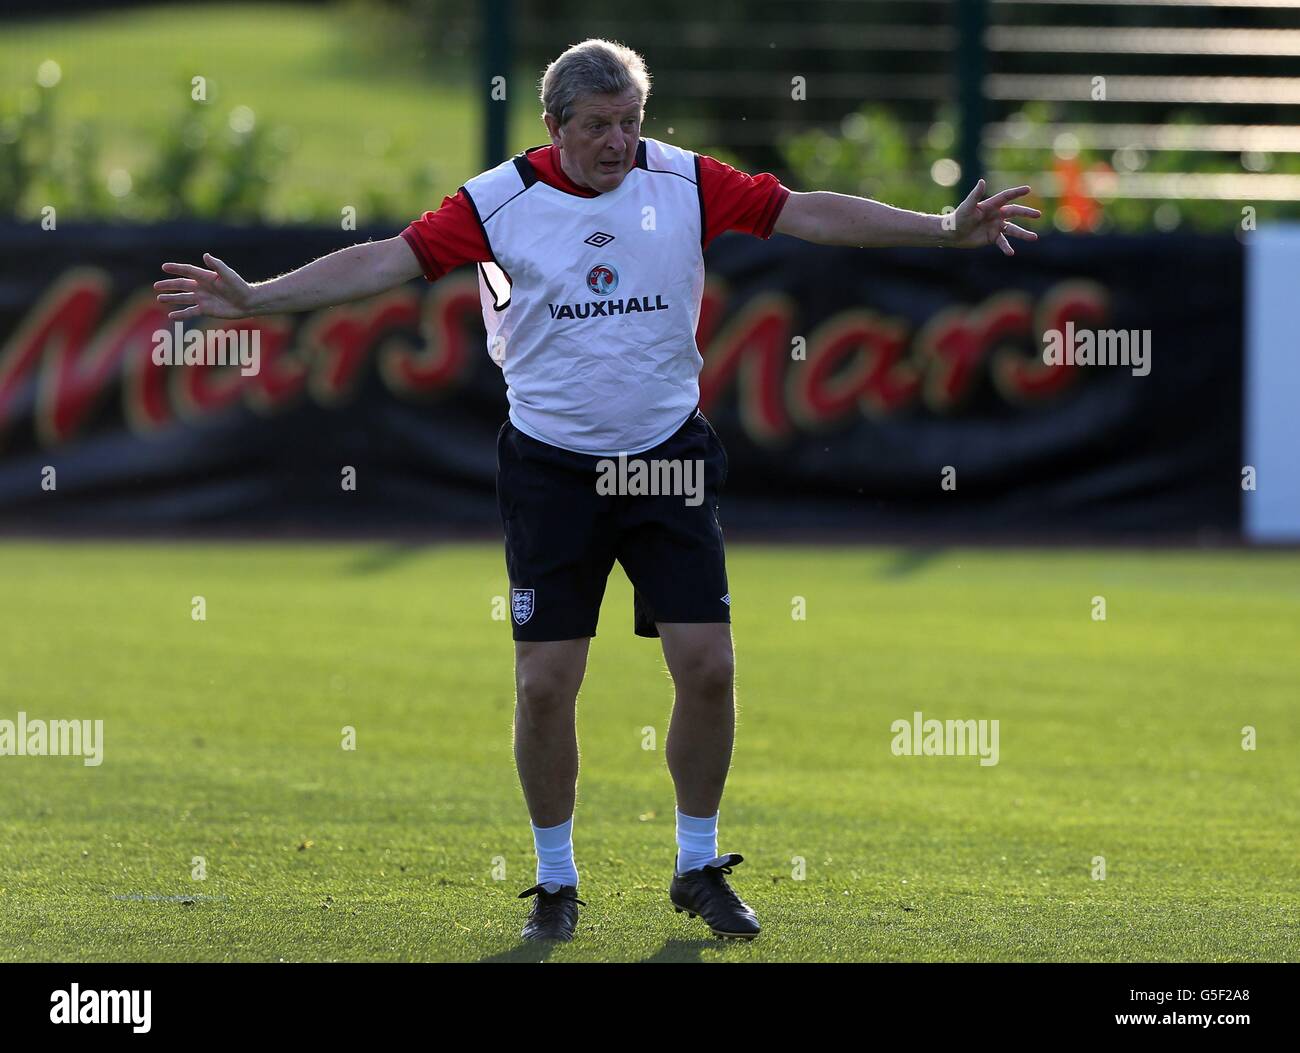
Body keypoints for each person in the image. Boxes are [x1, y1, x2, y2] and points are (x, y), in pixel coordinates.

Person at [155, 38, 1039, 945]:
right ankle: (554, 880)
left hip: (665, 459)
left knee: (710, 667)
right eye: (597, 127)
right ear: (554, 126)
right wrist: (258, 298)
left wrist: (940, 227)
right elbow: (385, 260)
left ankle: (698, 864)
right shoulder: (499, 202)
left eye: (630, 122)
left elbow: (804, 211)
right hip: (551, 468)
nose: (619, 143)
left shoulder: (684, 179)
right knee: (546, 685)